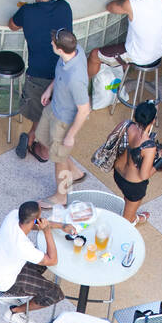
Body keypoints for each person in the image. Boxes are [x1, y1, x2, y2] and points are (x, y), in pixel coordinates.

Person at [10, 0, 74, 160]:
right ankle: (33, 139)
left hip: (37, 75)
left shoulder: (27, 11)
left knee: (41, 110)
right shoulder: (64, 6)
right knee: (52, 113)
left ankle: (38, 146)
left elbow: (12, 25)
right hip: (62, 74)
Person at [0, 201, 75, 323]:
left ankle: (14, 295)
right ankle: (14, 312)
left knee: (43, 261)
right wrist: (47, 231)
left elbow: (34, 224)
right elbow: (52, 260)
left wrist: (62, 225)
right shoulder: (22, 245)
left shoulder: (13, 216)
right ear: (35, 219)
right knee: (54, 293)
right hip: (2, 282)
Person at [33, 30, 91, 206]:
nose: (51, 44)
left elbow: (84, 110)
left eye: (53, 43)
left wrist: (70, 136)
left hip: (64, 120)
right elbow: (61, 74)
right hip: (54, 107)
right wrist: (50, 89)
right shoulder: (75, 50)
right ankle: (74, 172)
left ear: (59, 49)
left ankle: (62, 196)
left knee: (58, 158)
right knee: (43, 139)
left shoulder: (75, 79)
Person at [86, 0, 162, 83]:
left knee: (94, 55)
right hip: (161, 49)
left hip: (142, 56)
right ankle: (124, 65)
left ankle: (82, 84)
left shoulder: (132, 4)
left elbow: (110, 7)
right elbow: (135, 0)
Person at [113, 100, 162, 225]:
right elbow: (144, 175)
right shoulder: (149, 147)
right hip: (133, 185)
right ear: (152, 121)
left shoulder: (126, 125)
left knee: (127, 199)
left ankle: (131, 213)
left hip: (118, 174)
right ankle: (131, 219)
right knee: (126, 221)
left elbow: (111, 140)